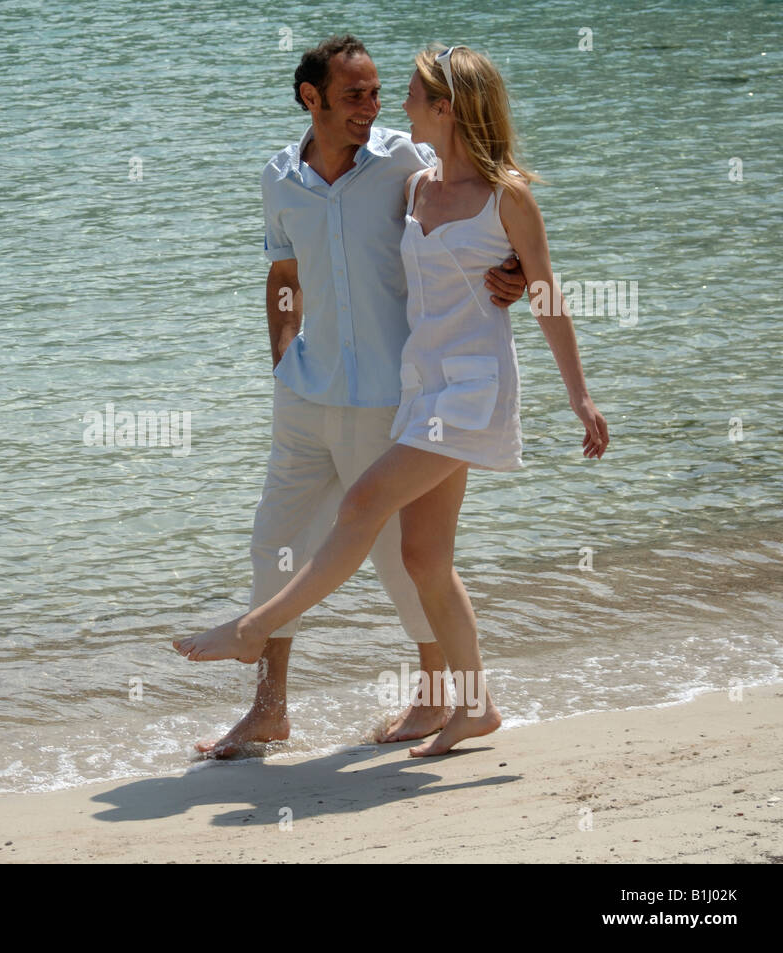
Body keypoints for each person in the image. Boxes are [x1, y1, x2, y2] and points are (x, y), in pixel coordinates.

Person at [175, 43, 609, 757]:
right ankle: (458, 706)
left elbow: (532, 274)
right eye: (358, 95)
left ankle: (273, 638)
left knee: (373, 524)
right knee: (400, 556)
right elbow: (286, 270)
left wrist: (573, 384)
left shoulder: (434, 171)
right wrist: (282, 354)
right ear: (312, 98)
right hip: (373, 388)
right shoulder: (362, 181)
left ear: (441, 107)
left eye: (390, 92)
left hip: (436, 393)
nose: (380, 107)